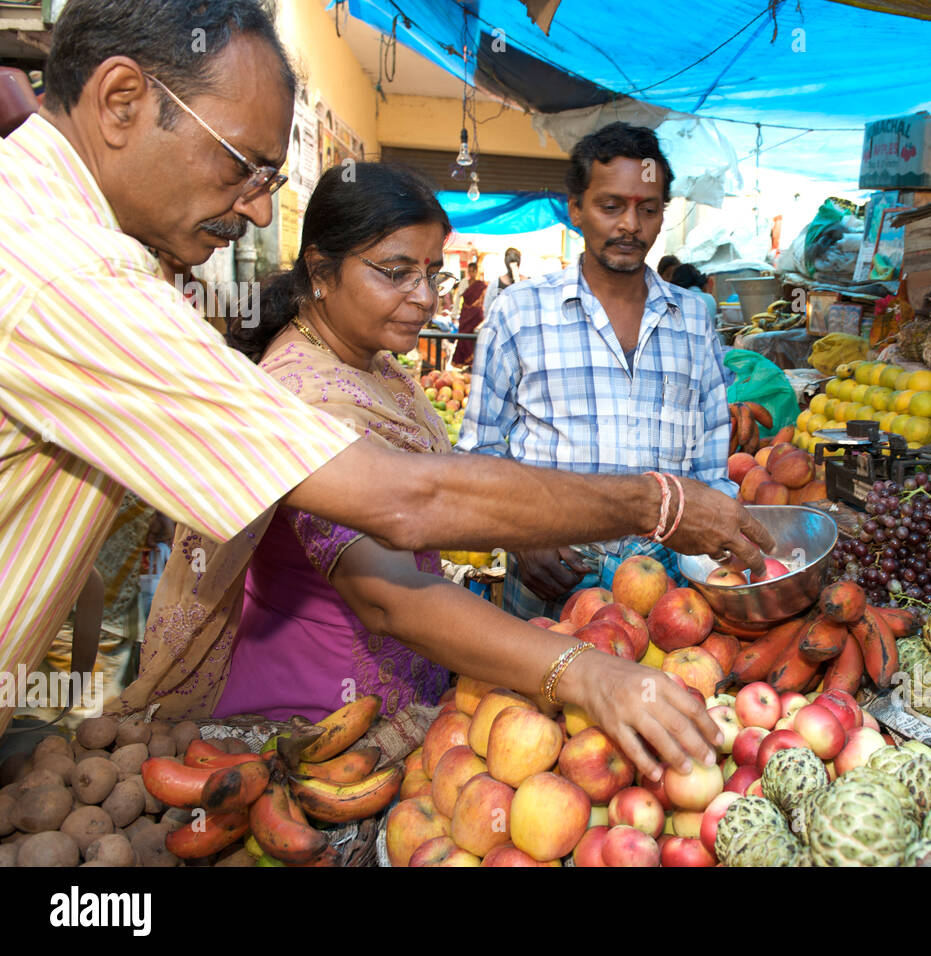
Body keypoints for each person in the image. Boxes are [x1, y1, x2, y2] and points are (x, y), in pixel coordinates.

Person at [0, 0, 772, 774]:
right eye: (244, 164)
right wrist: (653, 509)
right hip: (310, 707)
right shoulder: (69, 274)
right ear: (121, 101)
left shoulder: (60, 239)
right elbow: (409, 507)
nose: (263, 205)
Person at [459, 122, 735, 620]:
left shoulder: (695, 318)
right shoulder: (519, 312)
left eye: (647, 209)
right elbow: (479, 453)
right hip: (549, 577)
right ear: (576, 209)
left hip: (667, 593)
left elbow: (711, 469)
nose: (630, 224)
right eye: (611, 206)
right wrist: (519, 538)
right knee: (525, 698)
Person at [450, 259, 487, 368]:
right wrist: (454, 314)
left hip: (476, 316)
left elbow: (484, 302)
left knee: (474, 339)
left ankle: (473, 364)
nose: (471, 273)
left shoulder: (481, 285)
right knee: (463, 337)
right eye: (469, 271)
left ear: (476, 272)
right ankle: (463, 362)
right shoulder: (464, 283)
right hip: (466, 314)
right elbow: (457, 299)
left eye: (473, 271)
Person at [481, 246, 522, 318]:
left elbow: (487, 311)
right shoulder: (528, 283)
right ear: (519, 262)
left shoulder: (495, 284)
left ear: (505, 262)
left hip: (500, 328)